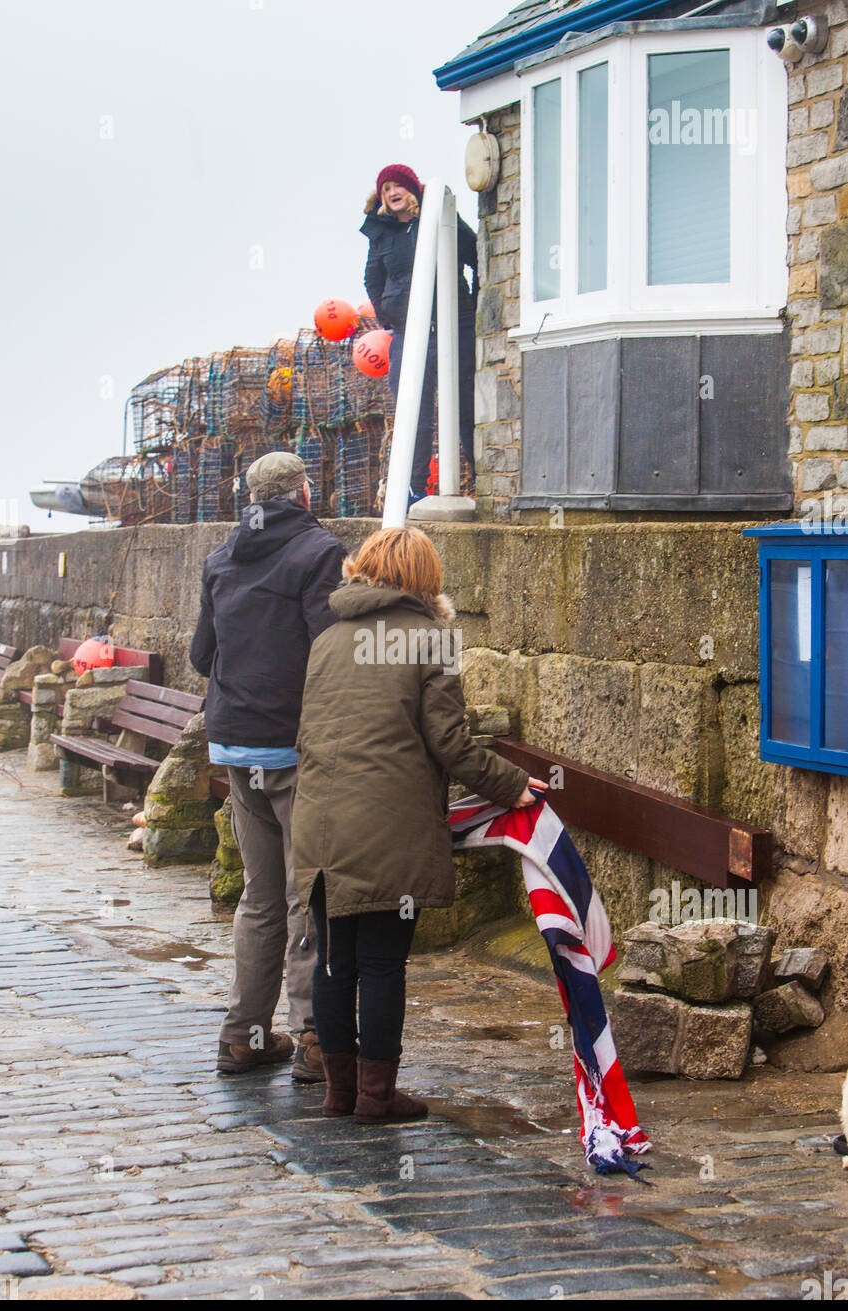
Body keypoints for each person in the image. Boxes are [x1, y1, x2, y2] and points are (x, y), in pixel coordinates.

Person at [291, 527, 547, 1123]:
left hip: (320, 824)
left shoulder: (326, 639)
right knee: (381, 964)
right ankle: (377, 1098)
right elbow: (451, 745)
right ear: (423, 579)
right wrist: (512, 785)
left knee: (336, 962)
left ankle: (339, 1091)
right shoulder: (429, 642)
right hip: (387, 827)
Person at [189, 453, 346, 1083]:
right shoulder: (319, 553)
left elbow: (203, 655)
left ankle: (245, 1037)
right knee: (306, 892)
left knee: (259, 895)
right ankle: (313, 1038)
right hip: (292, 744)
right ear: (304, 493)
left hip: (234, 745)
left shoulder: (221, 558)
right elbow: (330, 654)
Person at [361, 164, 478, 506]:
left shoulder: (442, 219)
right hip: (408, 334)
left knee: (466, 408)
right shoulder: (380, 234)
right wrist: (392, 315)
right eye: (385, 189)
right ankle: (413, 490)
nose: (391, 192)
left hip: (454, 328)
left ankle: (480, 481)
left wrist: (472, 304)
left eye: (398, 185)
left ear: (412, 189)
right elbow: (372, 280)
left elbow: (475, 254)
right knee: (414, 415)